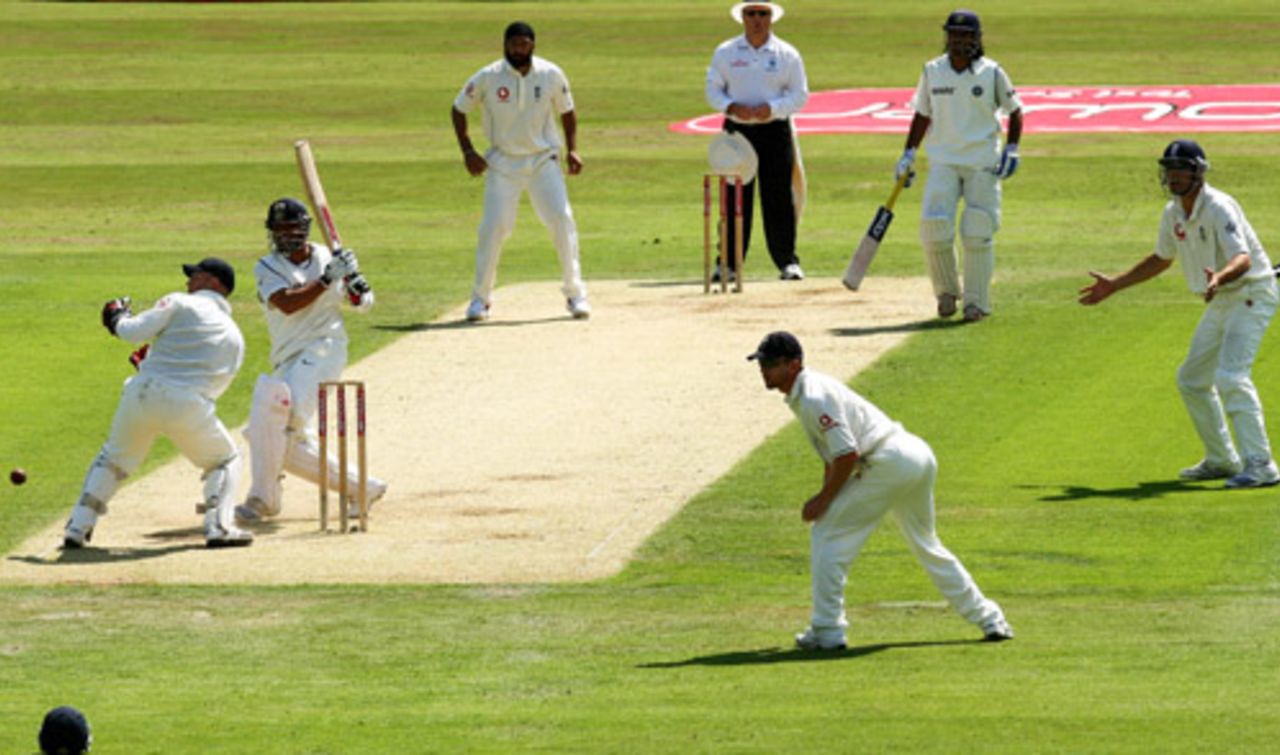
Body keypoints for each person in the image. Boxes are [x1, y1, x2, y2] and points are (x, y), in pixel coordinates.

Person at [749, 331, 1013, 649]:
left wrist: (823, 501)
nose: (764, 370)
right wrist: (825, 497)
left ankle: (828, 629)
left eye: (770, 364)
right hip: (914, 456)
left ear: (793, 365)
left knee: (827, 533)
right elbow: (834, 457)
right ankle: (990, 619)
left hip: (888, 461)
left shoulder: (814, 397)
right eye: (761, 363)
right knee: (926, 544)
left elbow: (847, 454)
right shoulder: (807, 391)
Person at [1079, 139, 1280, 488]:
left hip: (1251, 294)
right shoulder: (1173, 213)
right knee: (1192, 379)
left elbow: (1243, 258)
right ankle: (1222, 459)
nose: (1174, 176)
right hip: (1221, 298)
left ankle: (1261, 465)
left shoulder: (1219, 207)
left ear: (1197, 172)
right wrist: (1115, 285)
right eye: (1169, 170)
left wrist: (1219, 277)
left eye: (1181, 170)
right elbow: (1161, 258)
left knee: (1231, 376)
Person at [62, 258, 252, 549]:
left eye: (195, 275)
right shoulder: (235, 337)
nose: (188, 281)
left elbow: (131, 332)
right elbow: (214, 384)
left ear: (213, 281)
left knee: (113, 460)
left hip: (141, 394)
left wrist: (116, 317)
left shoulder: (180, 302)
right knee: (225, 461)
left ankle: (77, 526)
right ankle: (219, 527)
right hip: (189, 404)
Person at [236, 198, 388, 524]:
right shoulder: (267, 267)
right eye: (279, 229)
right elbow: (287, 303)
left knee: (282, 420)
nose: (286, 234)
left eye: (292, 227)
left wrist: (356, 285)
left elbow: (363, 304)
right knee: (267, 433)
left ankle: (262, 499)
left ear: (305, 229)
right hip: (287, 355)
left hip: (324, 348)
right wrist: (326, 280)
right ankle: (362, 488)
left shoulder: (329, 257)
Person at [451, 21, 591, 323]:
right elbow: (458, 109)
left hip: (543, 160)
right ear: (505, 44)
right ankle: (480, 299)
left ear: (533, 45)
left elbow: (567, 111)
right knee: (493, 228)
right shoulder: (488, 76)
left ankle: (575, 294)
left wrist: (573, 149)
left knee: (561, 219)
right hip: (503, 163)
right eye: (514, 44)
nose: (519, 50)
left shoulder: (550, 73)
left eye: (524, 44)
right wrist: (468, 151)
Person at [896, 9, 1023, 322]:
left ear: (977, 38)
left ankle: (976, 303)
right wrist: (908, 153)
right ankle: (946, 294)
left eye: (966, 35)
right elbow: (922, 113)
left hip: (982, 162)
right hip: (944, 160)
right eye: (954, 34)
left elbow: (1015, 111)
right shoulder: (932, 71)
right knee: (933, 226)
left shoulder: (992, 72)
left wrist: (1012, 148)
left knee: (978, 229)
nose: (959, 41)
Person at [705, 1, 809, 282]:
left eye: (763, 14)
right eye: (751, 14)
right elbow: (713, 90)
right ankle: (728, 264)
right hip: (737, 133)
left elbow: (799, 95)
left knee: (779, 197)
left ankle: (787, 261)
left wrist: (772, 109)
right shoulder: (726, 52)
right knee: (734, 199)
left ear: (771, 17)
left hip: (774, 130)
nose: (757, 19)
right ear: (742, 17)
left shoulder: (787, 53)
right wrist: (731, 107)